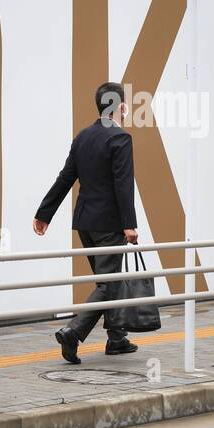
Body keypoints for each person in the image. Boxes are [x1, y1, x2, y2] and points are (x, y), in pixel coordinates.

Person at [33, 81, 140, 364]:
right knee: (107, 285)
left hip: (85, 225)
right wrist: (129, 224)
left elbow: (66, 177)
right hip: (108, 226)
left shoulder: (83, 137)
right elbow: (123, 185)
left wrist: (44, 213)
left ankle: (117, 339)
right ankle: (73, 332)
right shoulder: (120, 138)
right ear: (121, 107)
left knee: (109, 283)